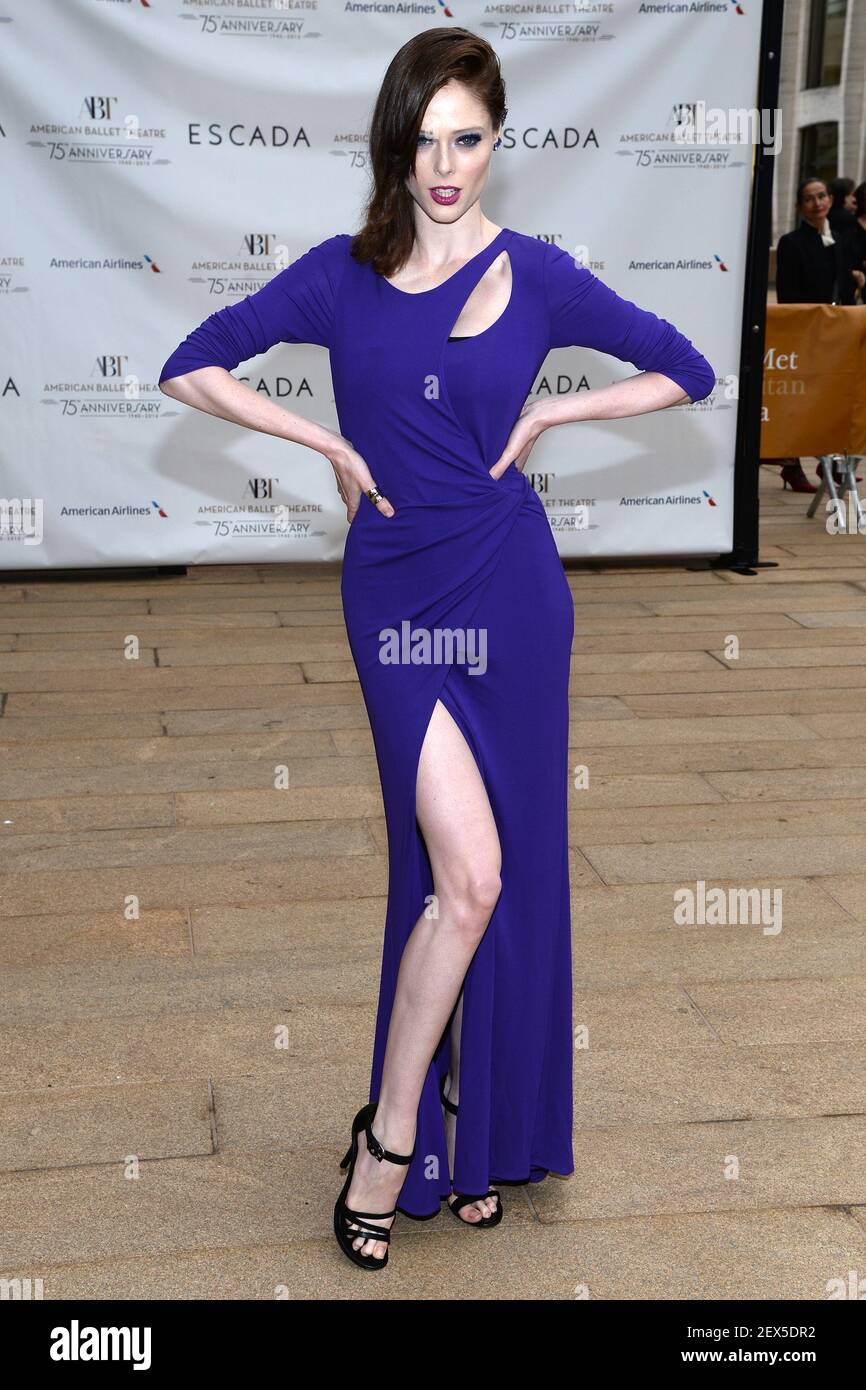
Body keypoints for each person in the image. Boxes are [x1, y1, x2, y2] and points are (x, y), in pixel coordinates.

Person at [158, 27, 715, 1271]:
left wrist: (561, 404)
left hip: (515, 592)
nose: (444, 164)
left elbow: (686, 367)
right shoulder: (336, 277)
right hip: (396, 600)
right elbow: (188, 365)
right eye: (423, 141)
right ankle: (389, 1135)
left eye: (466, 139)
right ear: (395, 145)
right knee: (462, 876)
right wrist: (330, 448)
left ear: (497, 139)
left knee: (498, 884)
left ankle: (473, 1136)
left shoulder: (544, 274)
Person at [765, 176, 865, 492]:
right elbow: (789, 293)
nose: (817, 202)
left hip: (838, 334)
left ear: (830, 201)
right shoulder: (792, 242)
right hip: (807, 333)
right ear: (800, 206)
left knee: (836, 398)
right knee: (798, 399)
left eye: (821, 196)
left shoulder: (841, 238)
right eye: (810, 198)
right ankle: (791, 465)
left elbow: (846, 287)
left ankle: (833, 465)